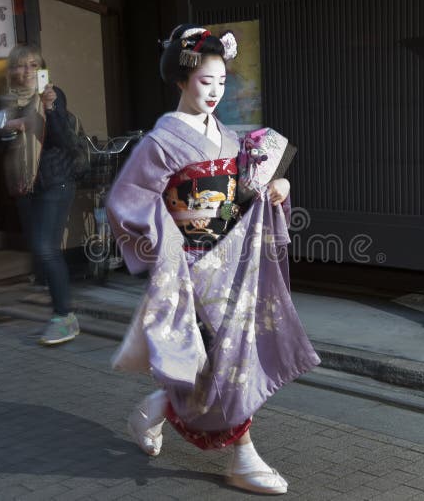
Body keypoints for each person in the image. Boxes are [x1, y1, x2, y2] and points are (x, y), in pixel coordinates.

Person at [107, 25, 320, 495]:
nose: (215, 91)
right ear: (182, 81)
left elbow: (244, 195)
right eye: (205, 81)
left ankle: (158, 405)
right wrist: (164, 247)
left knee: (226, 356)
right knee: (229, 357)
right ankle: (242, 457)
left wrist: (276, 191)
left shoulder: (227, 137)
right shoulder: (159, 144)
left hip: (232, 259)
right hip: (188, 264)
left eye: (222, 82)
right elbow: (126, 202)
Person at [0, 44, 79, 345]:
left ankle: (65, 317)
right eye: (20, 65)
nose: (27, 71)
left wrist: (50, 108)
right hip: (24, 185)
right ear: (12, 71)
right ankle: (59, 309)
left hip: (54, 181)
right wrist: (8, 130)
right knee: (39, 247)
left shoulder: (53, 95)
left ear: (42, 70)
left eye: (34, 65)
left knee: (46, 247)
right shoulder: (6, 102)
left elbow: (62, 141)